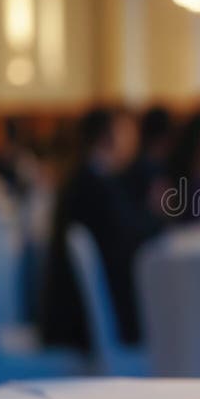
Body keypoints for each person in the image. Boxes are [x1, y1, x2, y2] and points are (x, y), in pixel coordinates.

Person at [39, 108, 156, 349]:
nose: (134, 139)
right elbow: (125, 240)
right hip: (77, 327)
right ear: (108, 137)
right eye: (127, 131)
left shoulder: (87, 178)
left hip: (70, 319)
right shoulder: (92, 185)